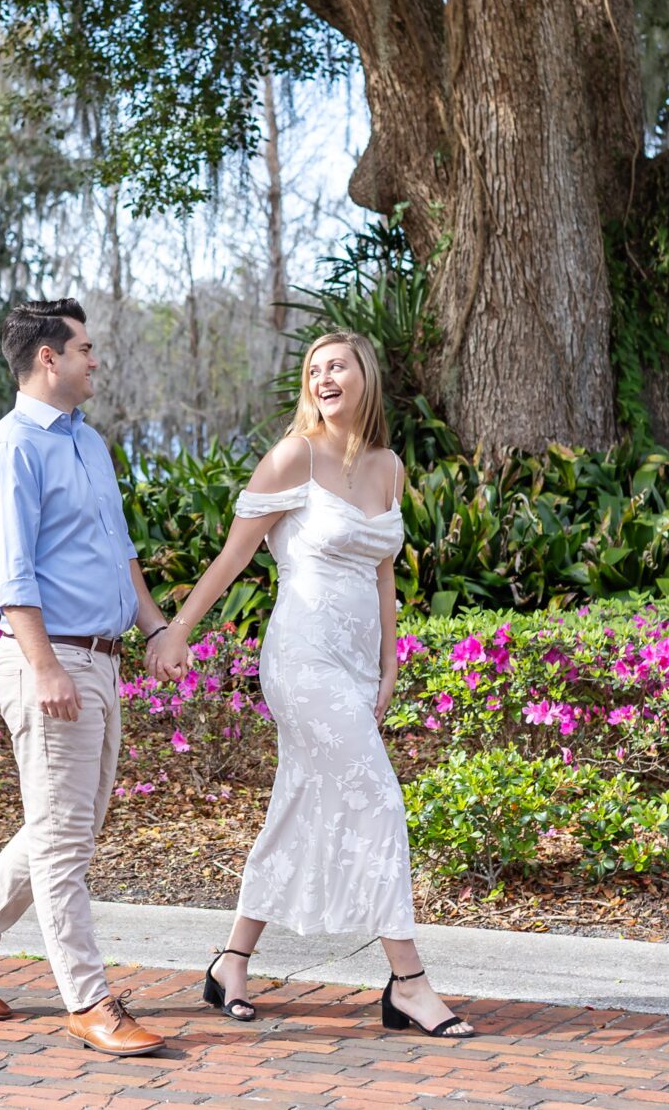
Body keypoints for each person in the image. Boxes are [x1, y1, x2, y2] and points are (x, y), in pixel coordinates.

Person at [148, 330, 474, 1039]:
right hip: (301, 656)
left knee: (296, 806)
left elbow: (383, 571)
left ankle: (230, 960)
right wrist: (177, 630)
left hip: (357, 664)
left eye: (338, 364)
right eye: (314, 368)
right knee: (379, 799)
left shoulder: (387, 466)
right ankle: (409, 981)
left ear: (365, 375)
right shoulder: (292, 454)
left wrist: (390, 662)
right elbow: (234, 556)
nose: (324, 376)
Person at [0, 298, 176, 1057]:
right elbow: (11, 573)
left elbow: (120, 550)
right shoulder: (9, 450)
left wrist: (155, 625)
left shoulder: (89, 444)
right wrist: (44, 665)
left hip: (101, 656)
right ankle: (89, 1000)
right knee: (64, 844)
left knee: (64, 830)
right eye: (86, 348)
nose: (96, 359)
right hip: (49, 657)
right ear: (48, 358)